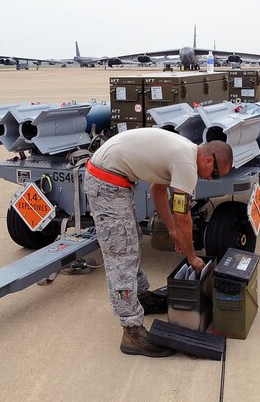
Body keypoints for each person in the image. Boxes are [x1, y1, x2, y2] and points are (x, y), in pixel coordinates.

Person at [83, 128, 233, 357]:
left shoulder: (186, 152)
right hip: (106, 184)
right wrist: (192, 257)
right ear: (209, 159)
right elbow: (184, 216)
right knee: (121, 255)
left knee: (131, 242)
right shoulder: (187, 164)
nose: (212, 178)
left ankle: (141, 297)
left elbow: (158, 190)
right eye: (215, 173)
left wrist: (171, 227)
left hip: (115, 183)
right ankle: (131, 330)